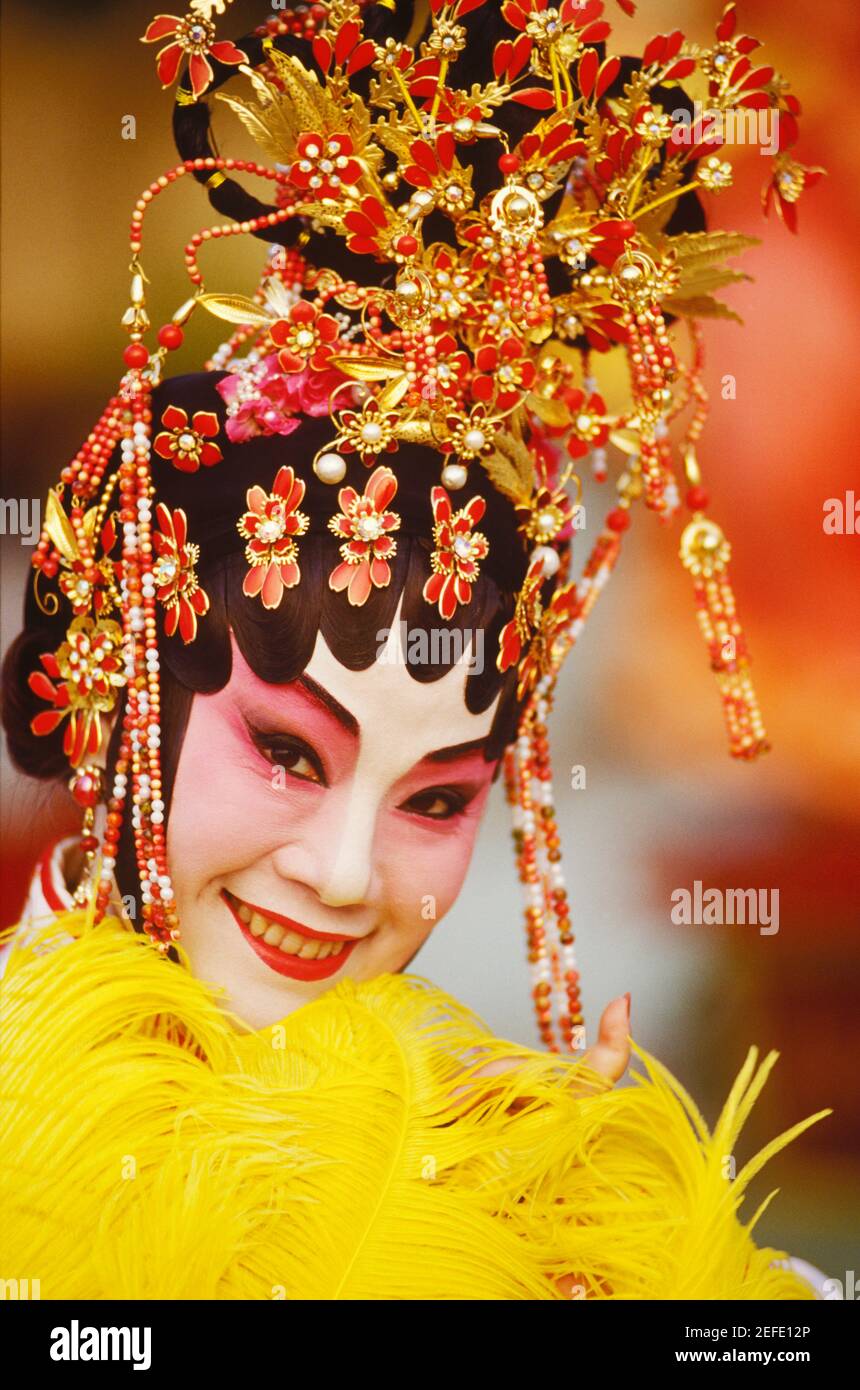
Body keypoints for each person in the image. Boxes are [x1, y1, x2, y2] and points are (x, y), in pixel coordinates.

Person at [0, 0, 831, 1299]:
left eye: (437, 796)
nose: (341, 875)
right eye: (285, 750)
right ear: (119, 674)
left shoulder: (526, 1184)